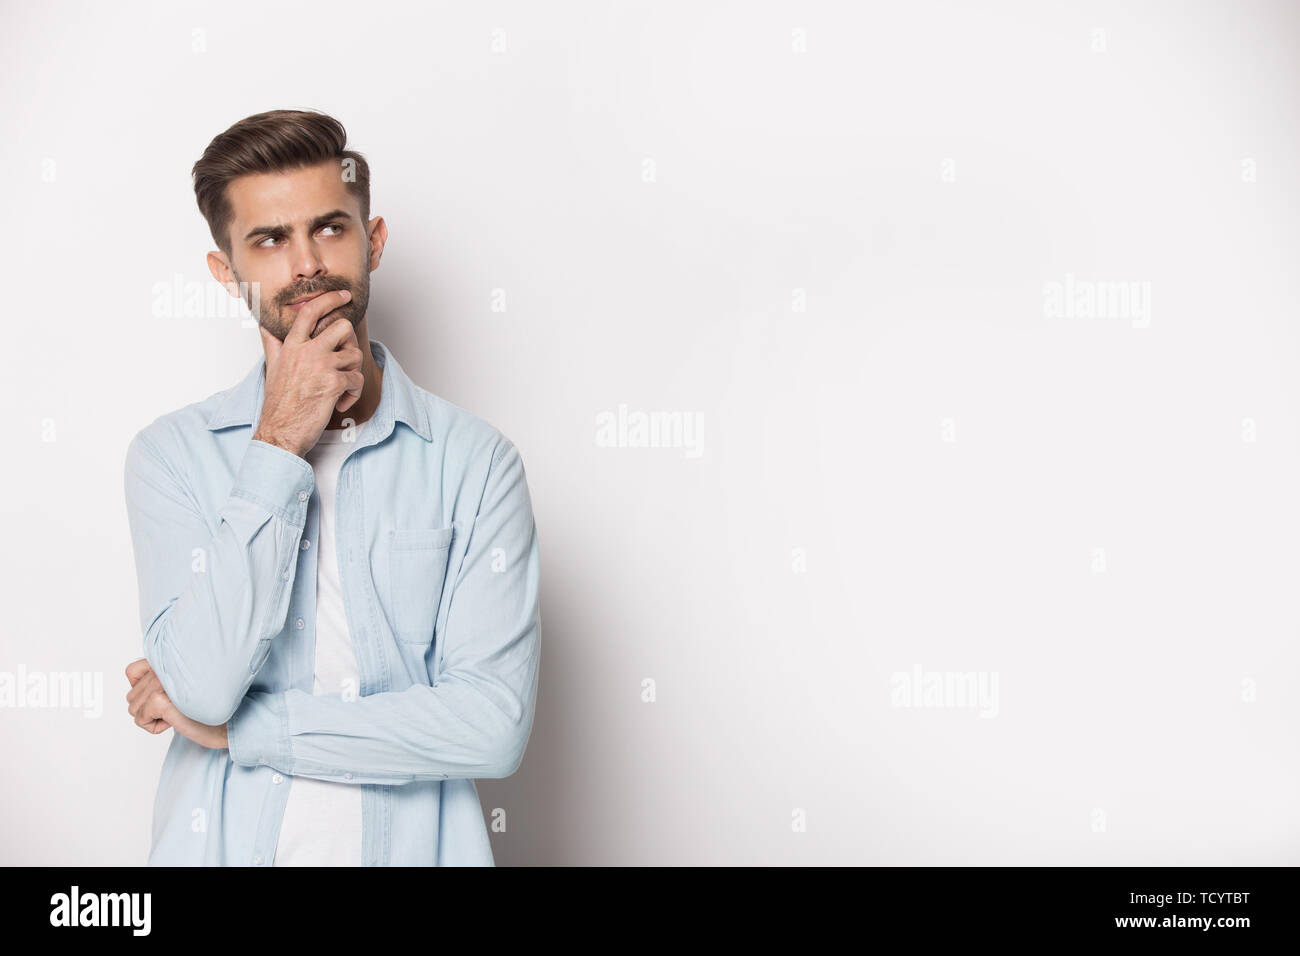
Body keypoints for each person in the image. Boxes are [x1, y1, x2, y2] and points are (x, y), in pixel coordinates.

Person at [122, 109, 541, 866]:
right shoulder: (172, 457)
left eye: (330, 228)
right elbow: (204, 688)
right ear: (228, 273)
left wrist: (243, 732)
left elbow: (491, 726)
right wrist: (280, 440)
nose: (307, 263)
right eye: (270, 240)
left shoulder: (475, 463)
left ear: (372, 240)